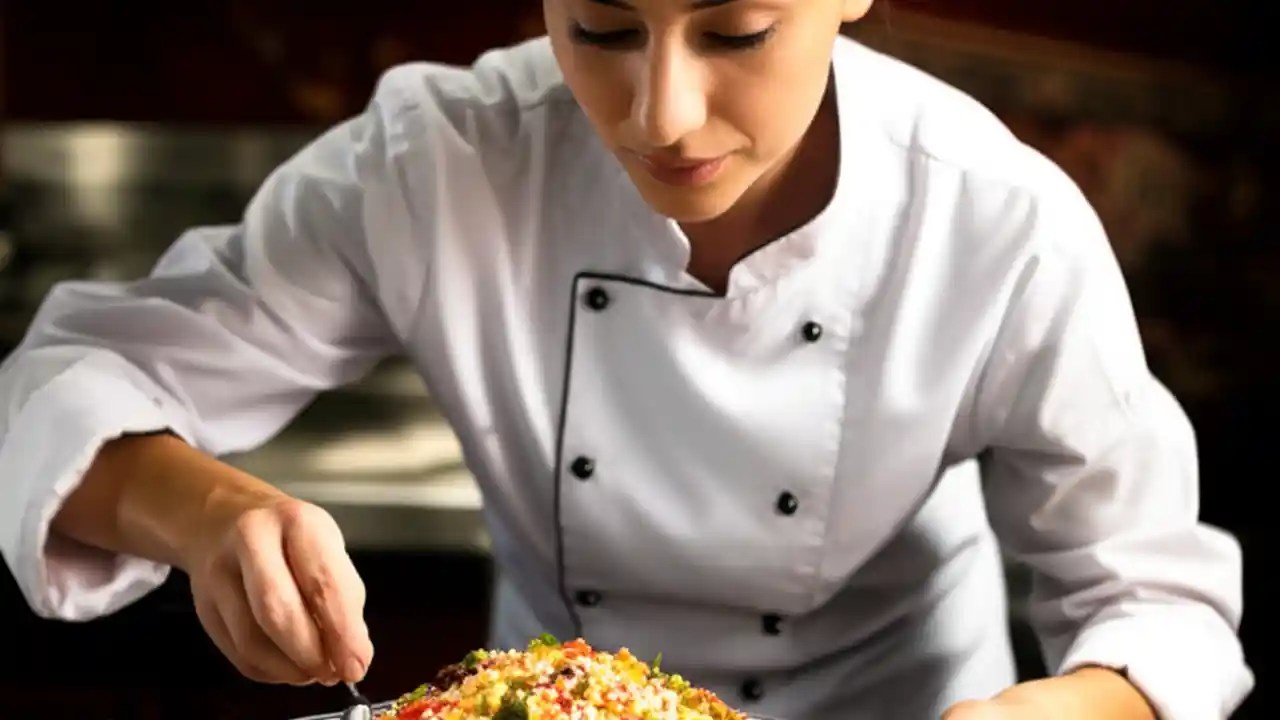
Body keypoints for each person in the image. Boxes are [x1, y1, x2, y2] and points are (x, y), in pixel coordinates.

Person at [0, 1, 1253, 718]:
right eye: (600, 25)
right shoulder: (439, 162)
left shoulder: (992, 219)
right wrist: (208, 513)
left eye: (737, 30)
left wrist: (1062, 708)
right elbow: (62, 388)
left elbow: (1156, 599)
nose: (660, 114)